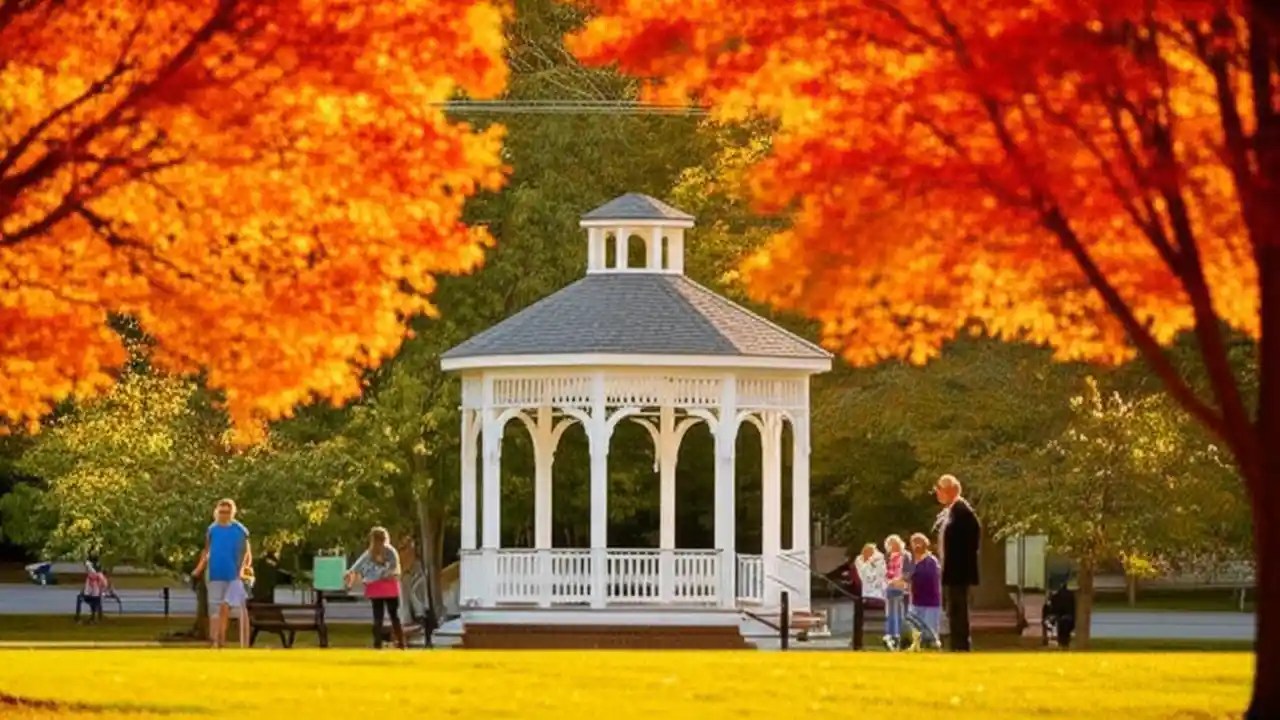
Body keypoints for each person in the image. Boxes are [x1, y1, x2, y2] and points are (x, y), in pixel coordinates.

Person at [192, 498, 252, 649]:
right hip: (214, 574)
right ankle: (215, 641)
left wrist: (242, 569)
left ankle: (240, 643)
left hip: (233, 576)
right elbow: (207, 551)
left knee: (237, 609)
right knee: (215, 609)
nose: (224, 515)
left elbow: (246, 552)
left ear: (232, 513)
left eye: (227, 512)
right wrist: (199, 569)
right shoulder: (212, 529)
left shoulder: (240, 530)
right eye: (221, 512)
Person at [933, 474, 981, 651]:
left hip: (959, 570)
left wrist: (960, 561)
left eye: (939, 490)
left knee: (959, 609)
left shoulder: (962, 512)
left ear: (950, 490)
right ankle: (956, 644)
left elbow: (972, 538)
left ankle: (960, 646)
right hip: (951, 569)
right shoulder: (952, 511)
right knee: (953, 609)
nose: (937, 494)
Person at [345, 526, 405, 649]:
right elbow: (394, 567)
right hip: (388, 586)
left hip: (375, 586)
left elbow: (358, 564)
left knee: (378, 616)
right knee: (394, 615)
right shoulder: (390, 551)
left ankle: (377, 644)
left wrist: (351, 572)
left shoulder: (370, 552)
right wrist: (385, 574)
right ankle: (401, 643)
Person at [905, 533, 943, 650]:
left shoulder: (931, 561)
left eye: (919, 542)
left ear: (925, 544)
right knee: (916, 631)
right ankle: (917, 648)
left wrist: (910, 578)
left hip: (930, 602)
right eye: (914, 542)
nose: (916, 545)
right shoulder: (911, 562)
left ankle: (933, 648)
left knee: (930, 631)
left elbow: (927, 577)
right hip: (916, 601)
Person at [882, 534, 913, 651]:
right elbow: (885, 571)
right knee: (890, 613)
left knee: (901, 613)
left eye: (895, 544)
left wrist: (900, 580)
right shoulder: (888, 557)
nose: (892, 546)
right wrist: (889, 581)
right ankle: (891, 635)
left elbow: (908, 572)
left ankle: (900, 636)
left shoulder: (906, 556)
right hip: (890, 586)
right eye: (890, 544)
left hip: (902, 587)